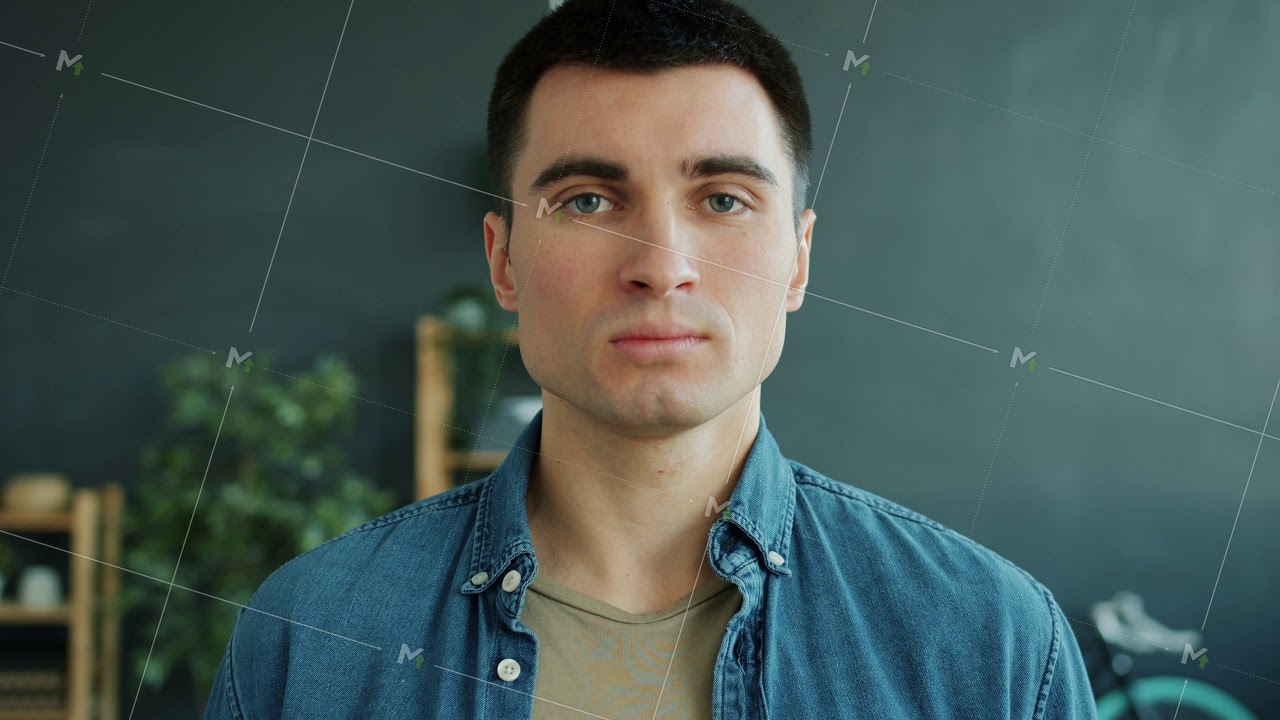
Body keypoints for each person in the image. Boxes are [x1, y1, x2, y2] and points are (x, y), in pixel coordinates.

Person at [205, 0, 1098, 717]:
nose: (661, 267)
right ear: (503, 260)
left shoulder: (991, 644)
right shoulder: (311, 638)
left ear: (799, 257)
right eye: (589, 200)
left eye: (723, 198)